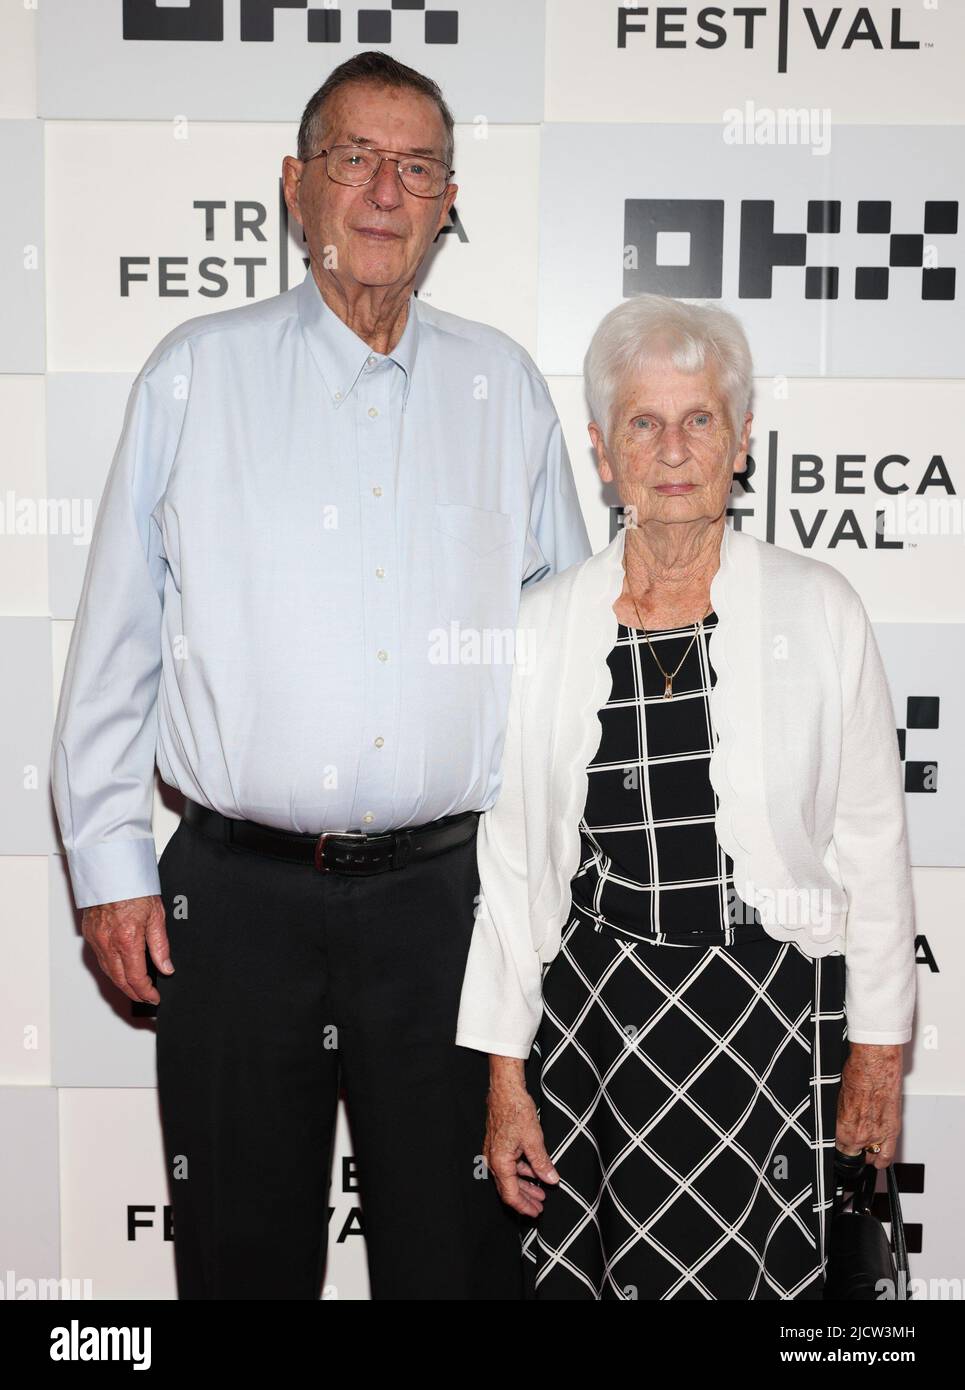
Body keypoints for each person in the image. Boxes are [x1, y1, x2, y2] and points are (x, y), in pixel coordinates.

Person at [49, 50, 590, 1300]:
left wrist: (548, 898)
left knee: (454, 1266)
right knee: (239, 1263)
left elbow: (566, 662)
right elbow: (119, 636)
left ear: (448, 202)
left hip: (450, 908)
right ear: (296, 186)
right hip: (233, 905)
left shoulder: (502, 389)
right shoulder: (197, 373)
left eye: (417, 167)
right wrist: (111, 869)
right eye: (356, 159)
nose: (385, 192)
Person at [455, 293, 916, 1300]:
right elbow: (513, 871)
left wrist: (876, 1053)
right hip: (595, 1031)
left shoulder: (818, 607)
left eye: (698, 418)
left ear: (740, 440)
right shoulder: (539, 628)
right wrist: (504, 1077)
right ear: (600, 450)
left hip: (764, 1025)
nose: (671, 449)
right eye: (641, 423)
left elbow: (872, 847)